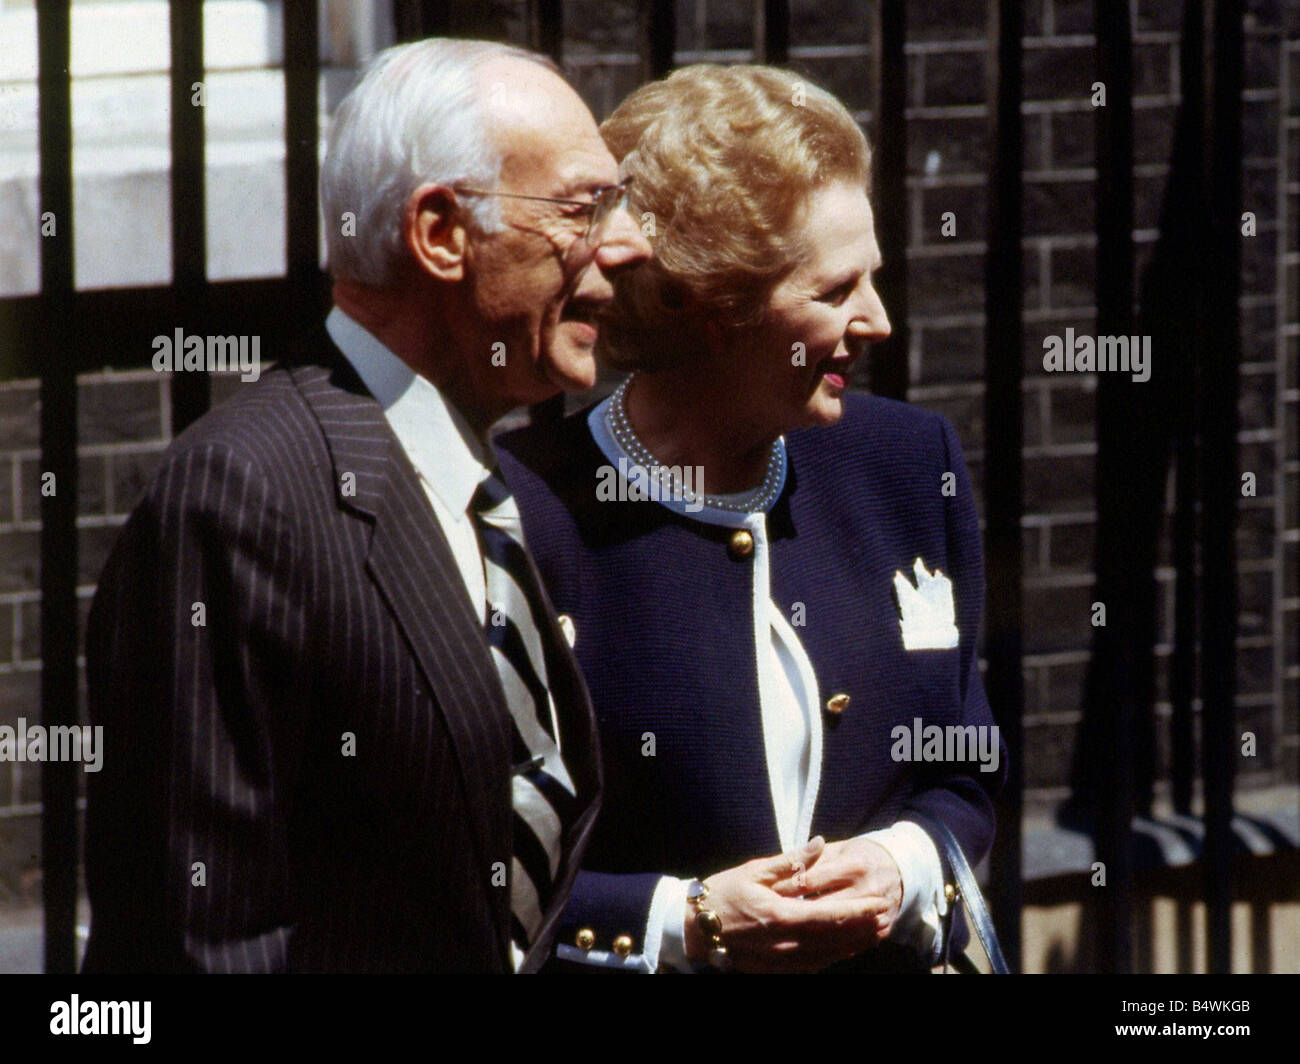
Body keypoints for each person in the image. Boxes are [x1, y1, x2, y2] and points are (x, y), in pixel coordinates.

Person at [81, 38, 650, 973]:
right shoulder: (244, 498)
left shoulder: (481, 489)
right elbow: (201, 944)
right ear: (439, 233)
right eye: (584, 207)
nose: (626, 245)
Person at [497, 64, 1005, 973]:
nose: (878, 320)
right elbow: (484, 859)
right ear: (713, 309)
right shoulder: (527, 516)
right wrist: (682, 922)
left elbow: (963, 766)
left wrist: (901, 866)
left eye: (873, 279)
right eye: (834, 290)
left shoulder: (905, 465)